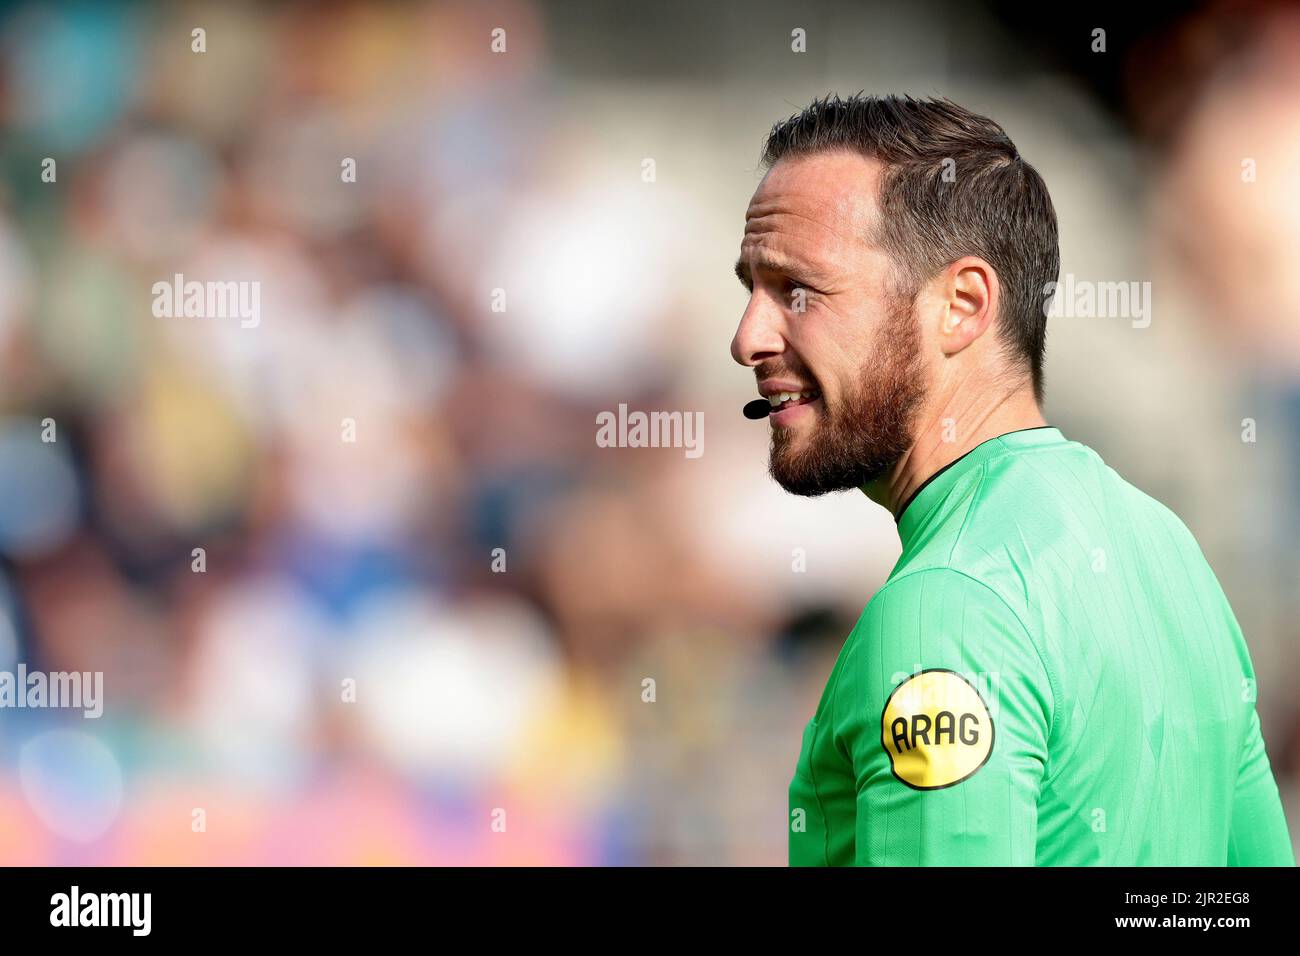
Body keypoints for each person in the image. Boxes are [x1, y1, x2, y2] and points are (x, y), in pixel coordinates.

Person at [730, 93, 1294, 866]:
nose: (747, 338)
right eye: (748, 290)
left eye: (798, 291)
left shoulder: (945, 607)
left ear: (962, 306)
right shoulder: (1169, 553)